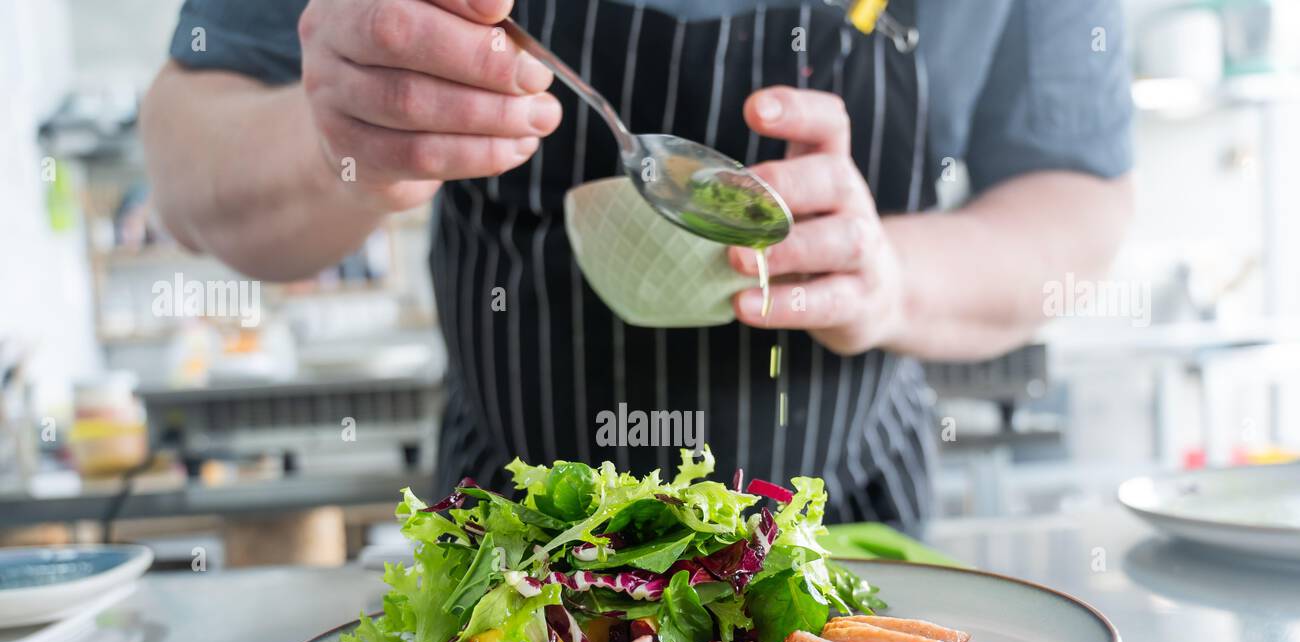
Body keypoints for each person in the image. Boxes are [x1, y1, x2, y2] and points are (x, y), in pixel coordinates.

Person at [142, 0, 1133, 529]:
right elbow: (185, 157)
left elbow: (1079, 202)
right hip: (508, 573)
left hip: (848, 566)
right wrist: (339, 145)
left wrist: (890, 275)